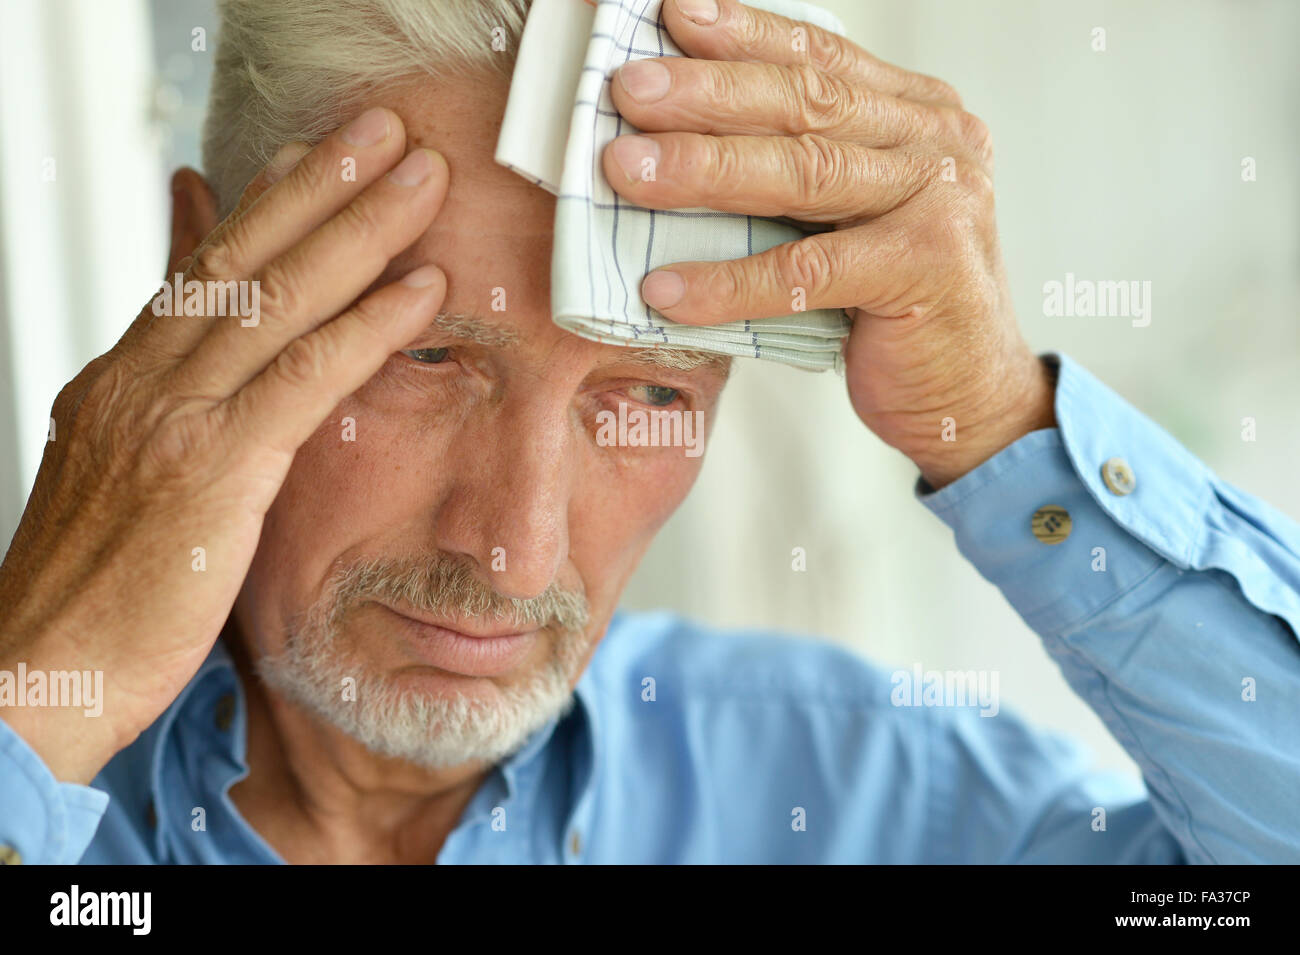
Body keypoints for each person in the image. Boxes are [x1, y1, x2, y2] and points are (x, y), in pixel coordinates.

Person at [0, 0, 1296, 864]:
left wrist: (1004, 425)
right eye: (426, 356)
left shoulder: (860, 794)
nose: (512, 554)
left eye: (653, 394)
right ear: (201, 275)